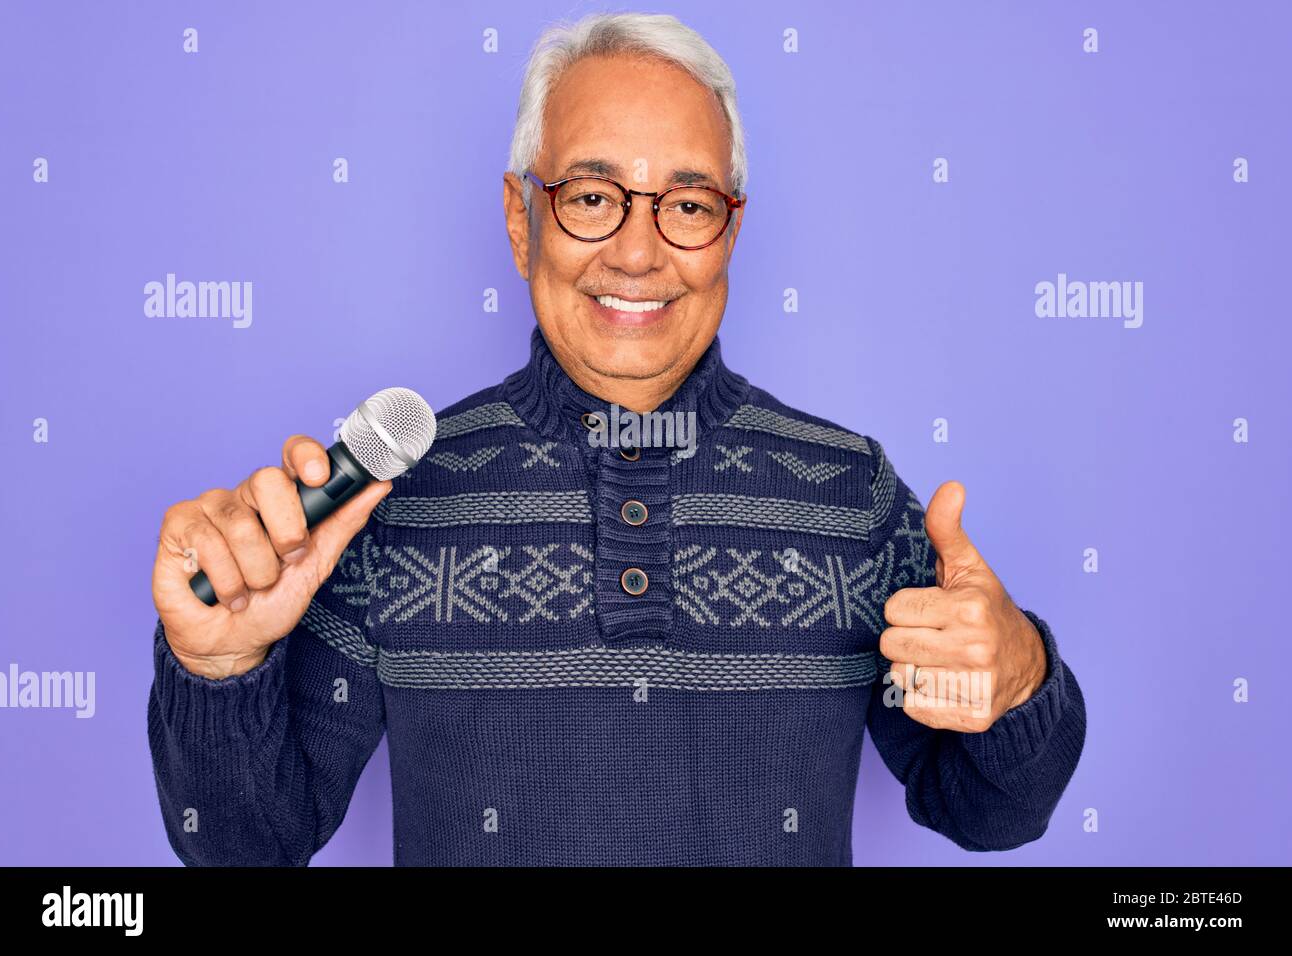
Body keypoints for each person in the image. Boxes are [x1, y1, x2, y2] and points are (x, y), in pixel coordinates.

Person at [148, 11, 1085, 866]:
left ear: (731, 232)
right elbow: (244, 846)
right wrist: (222, 668)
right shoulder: (396, 501)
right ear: (521, 222)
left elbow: (991, 811)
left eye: (686, 205)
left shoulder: (849, 494)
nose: (638, 253)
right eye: (592, 197)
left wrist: (1020, 680)